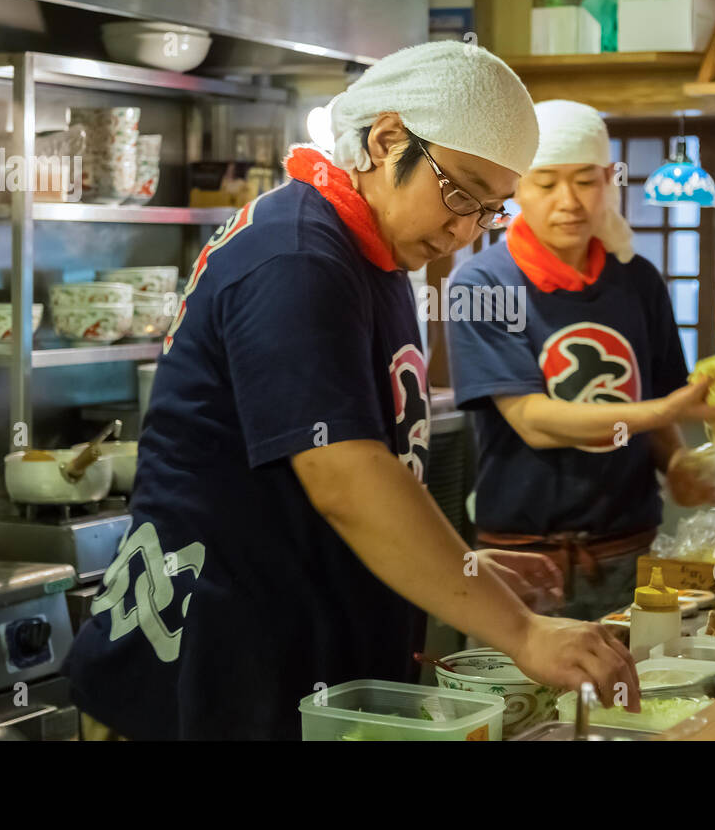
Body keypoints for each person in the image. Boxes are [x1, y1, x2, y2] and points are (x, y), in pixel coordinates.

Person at [63, 43, 641, 740]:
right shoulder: (298, 255)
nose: (464, 230)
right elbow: (346, 479)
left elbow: (356, 476)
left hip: (294, 663)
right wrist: (518, 630)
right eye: (458, 192)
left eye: (489, 210)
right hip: (207, 671)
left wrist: (461, 572)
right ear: (385, 138)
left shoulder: (372, 251)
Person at [445, 100, 715, 621]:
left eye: (585, 181)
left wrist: (675, 464)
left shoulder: (637, 280)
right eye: (546, 182)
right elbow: (534, 422)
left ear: (609, 179)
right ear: (516, 186)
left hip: (631, 553)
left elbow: (655, 401)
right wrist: (667, 413)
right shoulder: (482, 283)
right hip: (519, 559)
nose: (569, 202)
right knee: (521, 701)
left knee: (636, 699)